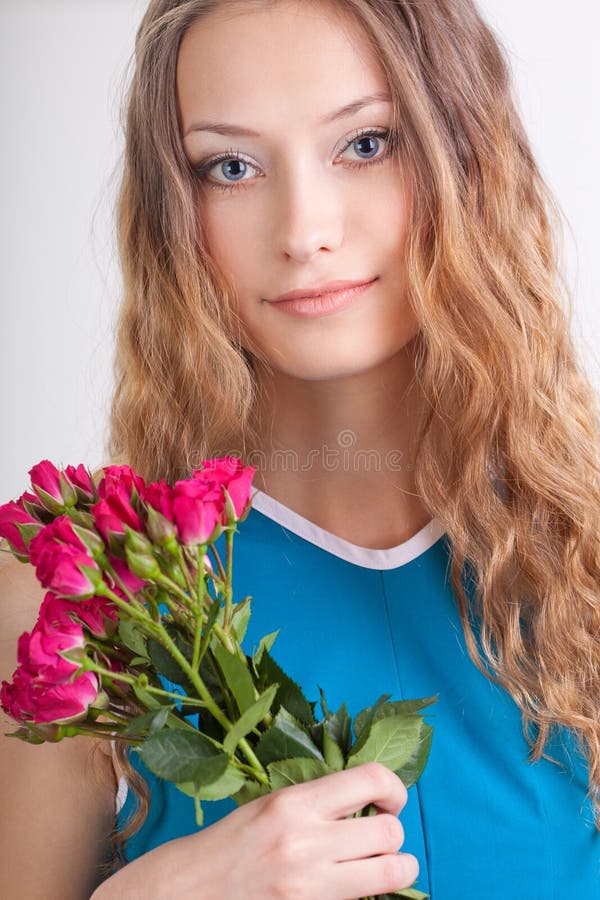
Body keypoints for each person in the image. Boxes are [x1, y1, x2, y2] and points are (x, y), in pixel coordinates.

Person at [1, 0, 599, 897]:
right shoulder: (77, 595)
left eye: (366, 144)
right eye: (230, 166)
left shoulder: (583, 546)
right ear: (173, 214)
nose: (305, 232)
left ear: (466, 156)